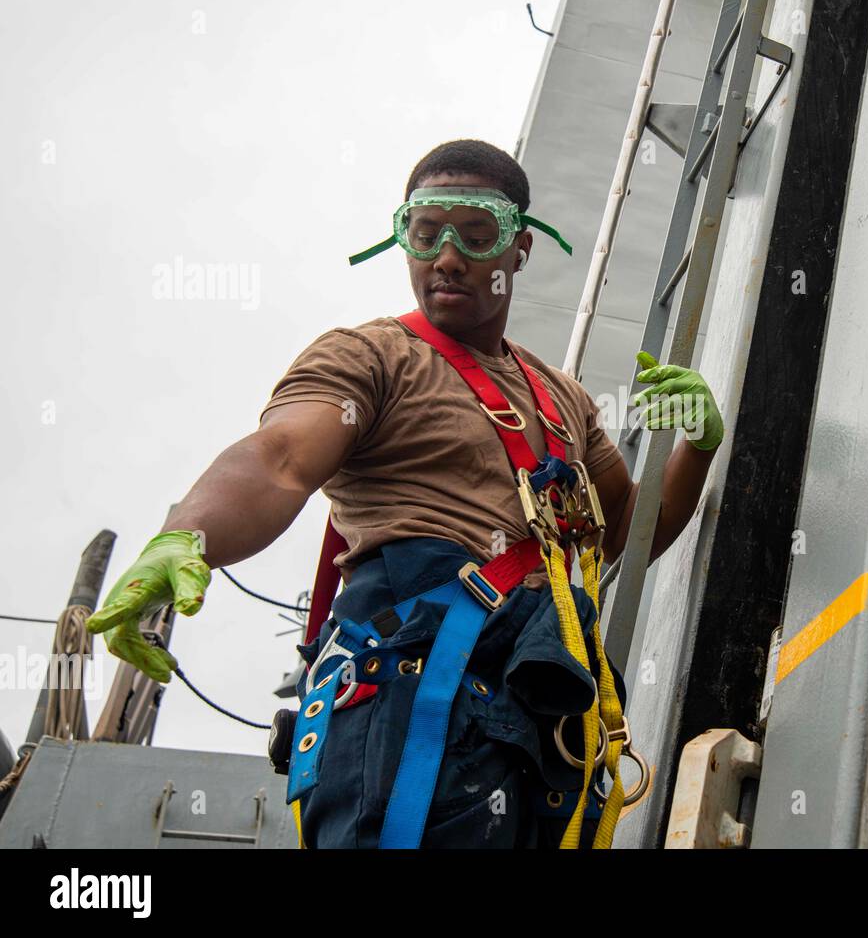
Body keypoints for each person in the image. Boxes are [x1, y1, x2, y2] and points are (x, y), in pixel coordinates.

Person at [84, 138, 724, 849]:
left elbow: (627, 534)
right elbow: (281, 457)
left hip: (539, 714)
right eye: (425, 234)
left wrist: (697, 447)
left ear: (519, 250)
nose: (447, 256)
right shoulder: (372, 356)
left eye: (476, 236)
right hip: (417, 700)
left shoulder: (562, 399)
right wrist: (190, 531)